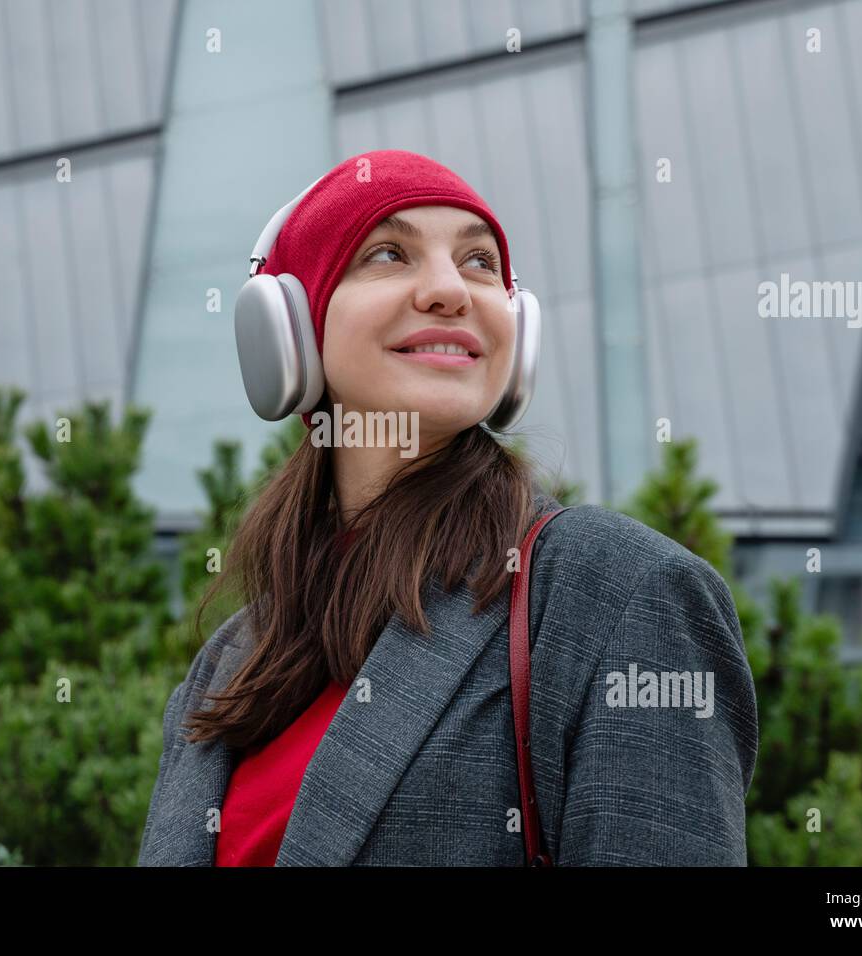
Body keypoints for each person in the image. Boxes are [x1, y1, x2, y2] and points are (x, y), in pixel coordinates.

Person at [137, 149, 758, 866]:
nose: (448, 290)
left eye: (479, 263)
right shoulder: (231, 664)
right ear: (289, 331)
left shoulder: (620, 593)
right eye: (387, 253)